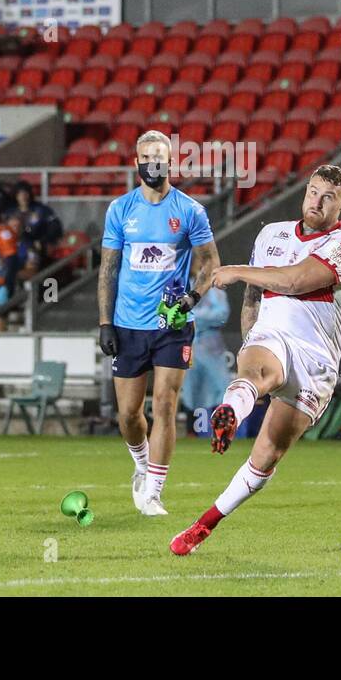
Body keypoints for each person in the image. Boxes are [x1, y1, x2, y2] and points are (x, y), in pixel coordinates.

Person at [171, 165, 341, 556]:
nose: (318, 201)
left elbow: (295, 280)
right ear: (305, 191)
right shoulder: (271, 233)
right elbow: (253, 299)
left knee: (266, 457)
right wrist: (251, 343)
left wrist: (235, 271)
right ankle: (233, 407)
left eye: (329, 197)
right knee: (257, 369)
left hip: (315, 361)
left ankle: (206, 522)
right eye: (313, 191)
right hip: (272, 336)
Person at [98, 130, 219, 516]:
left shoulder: (189, 211)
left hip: (173, 324)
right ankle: (140, 463)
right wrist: (105, 322)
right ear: (136, 164)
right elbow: (108, 270)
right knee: (129, 415)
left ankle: (154, 491)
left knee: (165, 405)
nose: (154, 164)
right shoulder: (120, 210)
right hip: (128, 325)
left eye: (160, 158)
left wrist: (193, 298)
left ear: (170, 163)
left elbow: (211, 262)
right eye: (146, 158)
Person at [181, 285, 231, 416]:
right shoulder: (185, 284)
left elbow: (222, 314)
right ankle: (192, 429)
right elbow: (179, 313)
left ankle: (221, 423)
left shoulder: (216, 290)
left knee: (221, 384)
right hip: (189, 342)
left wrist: (194, 315)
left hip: (211, 344)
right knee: (190, 388)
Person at [11, 181, 62, 266]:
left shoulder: (41, 210)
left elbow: (55, 227)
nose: (23, 196)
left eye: (25, 193)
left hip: (37, 249)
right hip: (14, 248)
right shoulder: (11, 212)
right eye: (20, 194)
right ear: (16, 196)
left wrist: (42, 241)